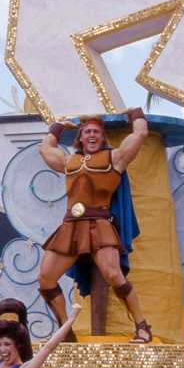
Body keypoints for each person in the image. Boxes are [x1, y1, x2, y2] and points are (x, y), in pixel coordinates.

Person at [38, 111, 151, 342]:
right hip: (70, 226)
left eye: (96, 132)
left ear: (102, 137)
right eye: (87, 131)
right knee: (45, 278)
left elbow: (140, 133)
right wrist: (58, 126)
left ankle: (142, 327)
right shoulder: (69, 161)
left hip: (99, 224)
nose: (92, 135)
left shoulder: (115, 158)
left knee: (113, 274)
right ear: (80, 136)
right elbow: (45, 149)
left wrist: (135, 113)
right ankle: (65, 331)